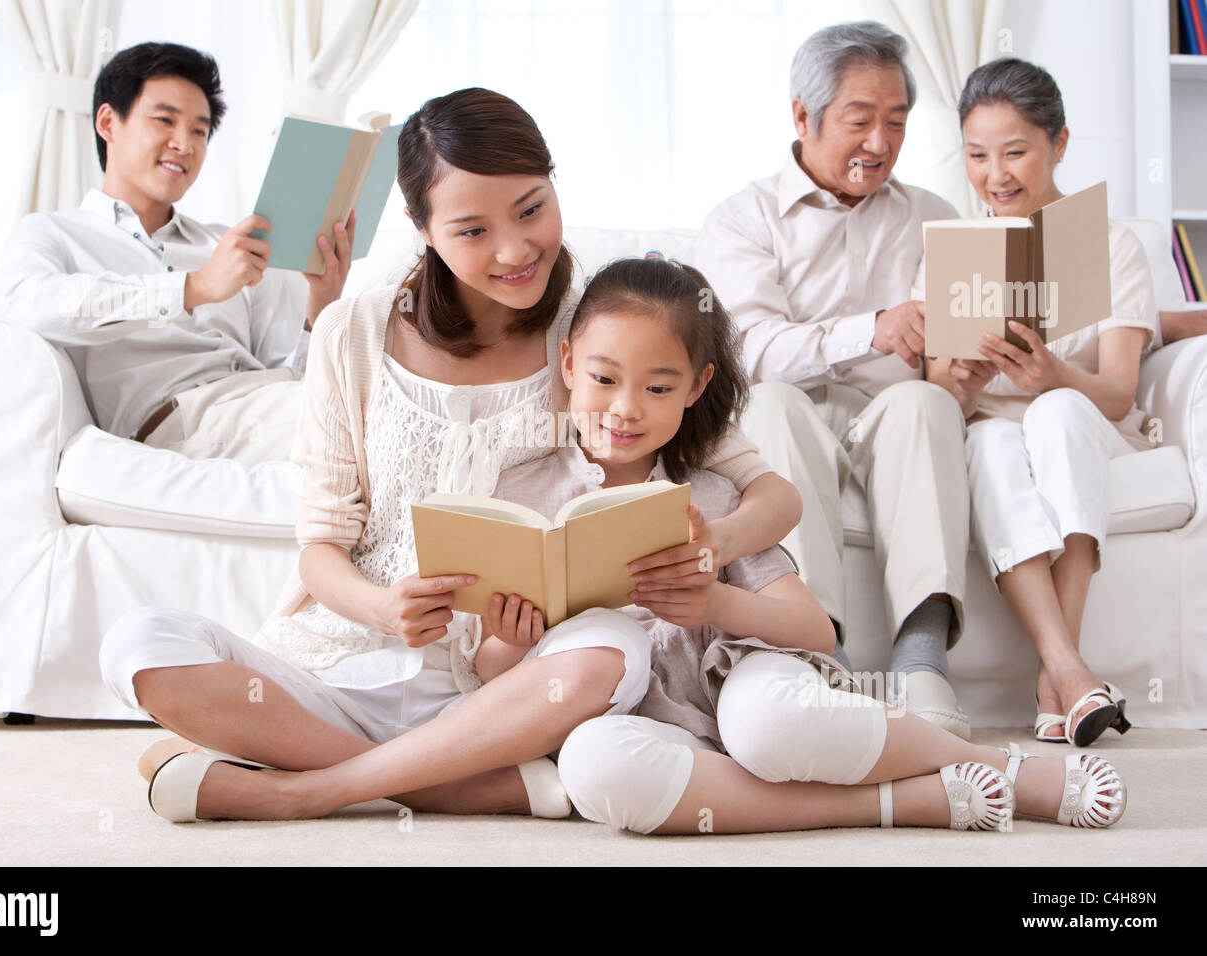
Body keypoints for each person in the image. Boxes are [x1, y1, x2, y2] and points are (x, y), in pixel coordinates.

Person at [99, 88, 798, 822]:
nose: (515, 249)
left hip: (512, 688)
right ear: (421, 228)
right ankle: (470, 787)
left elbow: (770, 493)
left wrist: (712, 548)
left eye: (531, 209)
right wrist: (382, 606)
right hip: (345, 671)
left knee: (613, 649)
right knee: (138, 644)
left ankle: (307, 787)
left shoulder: (600, 334)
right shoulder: (354, 330)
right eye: (472, 230)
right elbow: (320, 548)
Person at [490, 255, 1127, 833]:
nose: (625, 409)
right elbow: (494, 676)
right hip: (638, 725)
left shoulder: (709, 493)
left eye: (658, 388)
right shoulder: (525, 492)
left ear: (695, 387)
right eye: (604, 379)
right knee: (589, 767)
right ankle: (904, 802)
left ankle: (993, 766)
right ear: (570, 364)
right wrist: (510, 638)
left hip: (741, 684)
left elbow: (814, 630)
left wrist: (713, 602)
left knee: (763, 723)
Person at [695, 21, 973, 738]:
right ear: (802, 116)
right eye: (860, 121)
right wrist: (873, 327)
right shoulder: (741, 219)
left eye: (897, 123)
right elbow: (750, 351)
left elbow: (939, 367)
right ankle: (825, 654)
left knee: (925, 400)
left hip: (889, 415)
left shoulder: (936, 221)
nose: (879, 144)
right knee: (776, 401)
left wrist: (966, 368)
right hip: (788, 415)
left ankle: (921, 658)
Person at [926, 58, 1157, 747]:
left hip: (1084, 425)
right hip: (993, 432)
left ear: (1058, 144)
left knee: (1055, 413)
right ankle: (1066, 675)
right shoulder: (953, 249)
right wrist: (961, 385)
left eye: (1016, 152)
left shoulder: (1113, 246)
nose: (995, 175)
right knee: (991, 440)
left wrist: (1056, 375)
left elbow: (1119, 392)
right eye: (976, 155)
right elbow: (937, 394)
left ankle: (1060, 666)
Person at [0, 42, 353, 465]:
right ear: (108, 122)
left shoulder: (232, 245)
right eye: (165, 120)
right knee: (371, 419)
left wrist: (321, 306)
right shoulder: (54, 233)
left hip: (269, 402)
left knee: (405, 407)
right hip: (180, 424)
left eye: (200, 131)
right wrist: (193, 287)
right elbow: (29, 307)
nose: (184, 143)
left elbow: (295, 373)